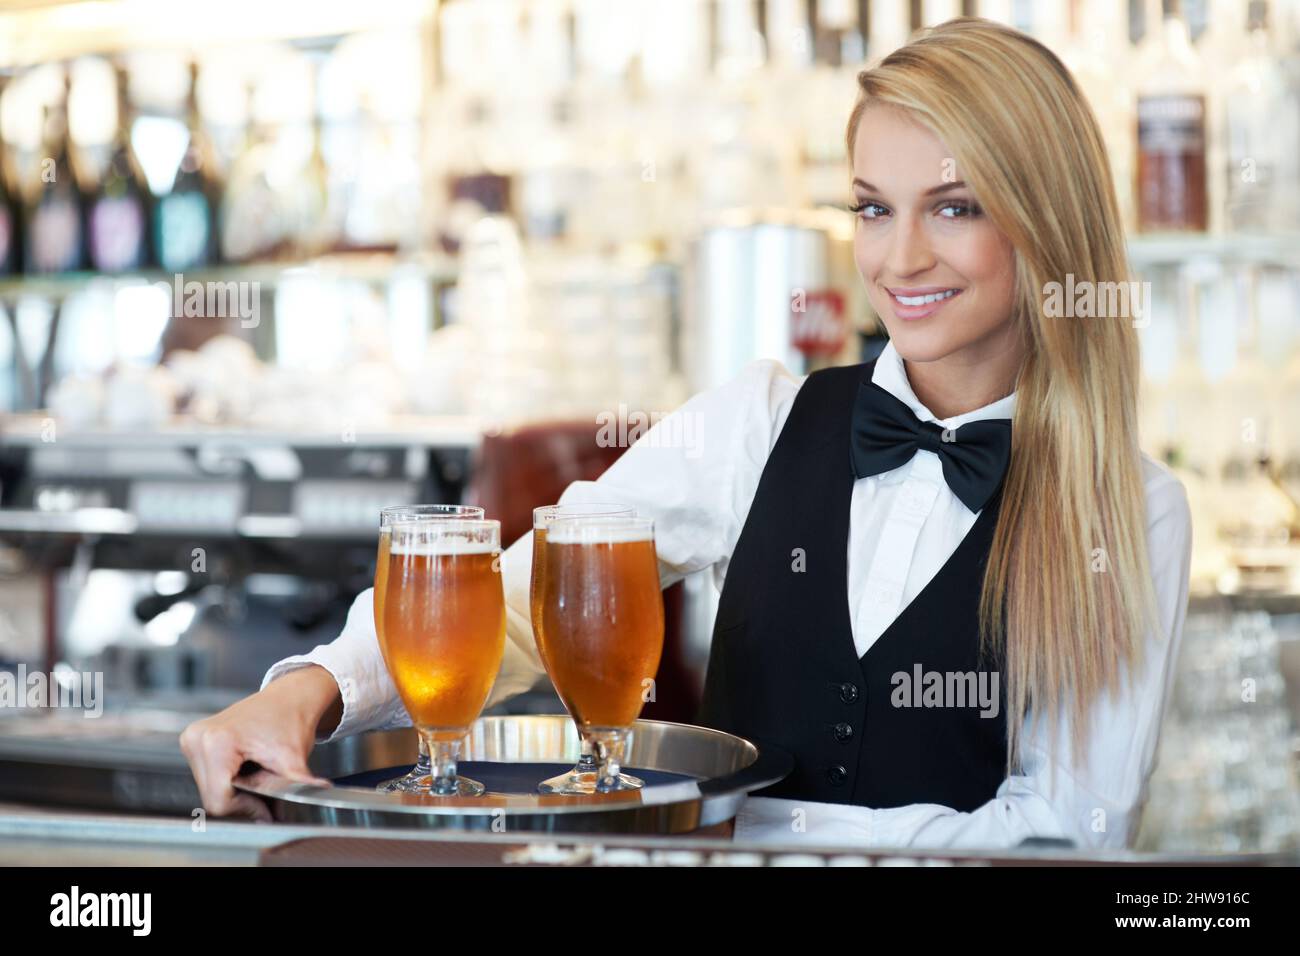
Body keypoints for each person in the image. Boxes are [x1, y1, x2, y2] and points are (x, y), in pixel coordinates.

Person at [182, 17, 1192, 848]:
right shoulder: (759, 420)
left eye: (955, 206)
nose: (900, 254)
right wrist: (314, 687)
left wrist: (760, 836)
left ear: (1045, 220)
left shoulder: (1130, 511)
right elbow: (530, 597)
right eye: (873, 208)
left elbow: (1068, 834)